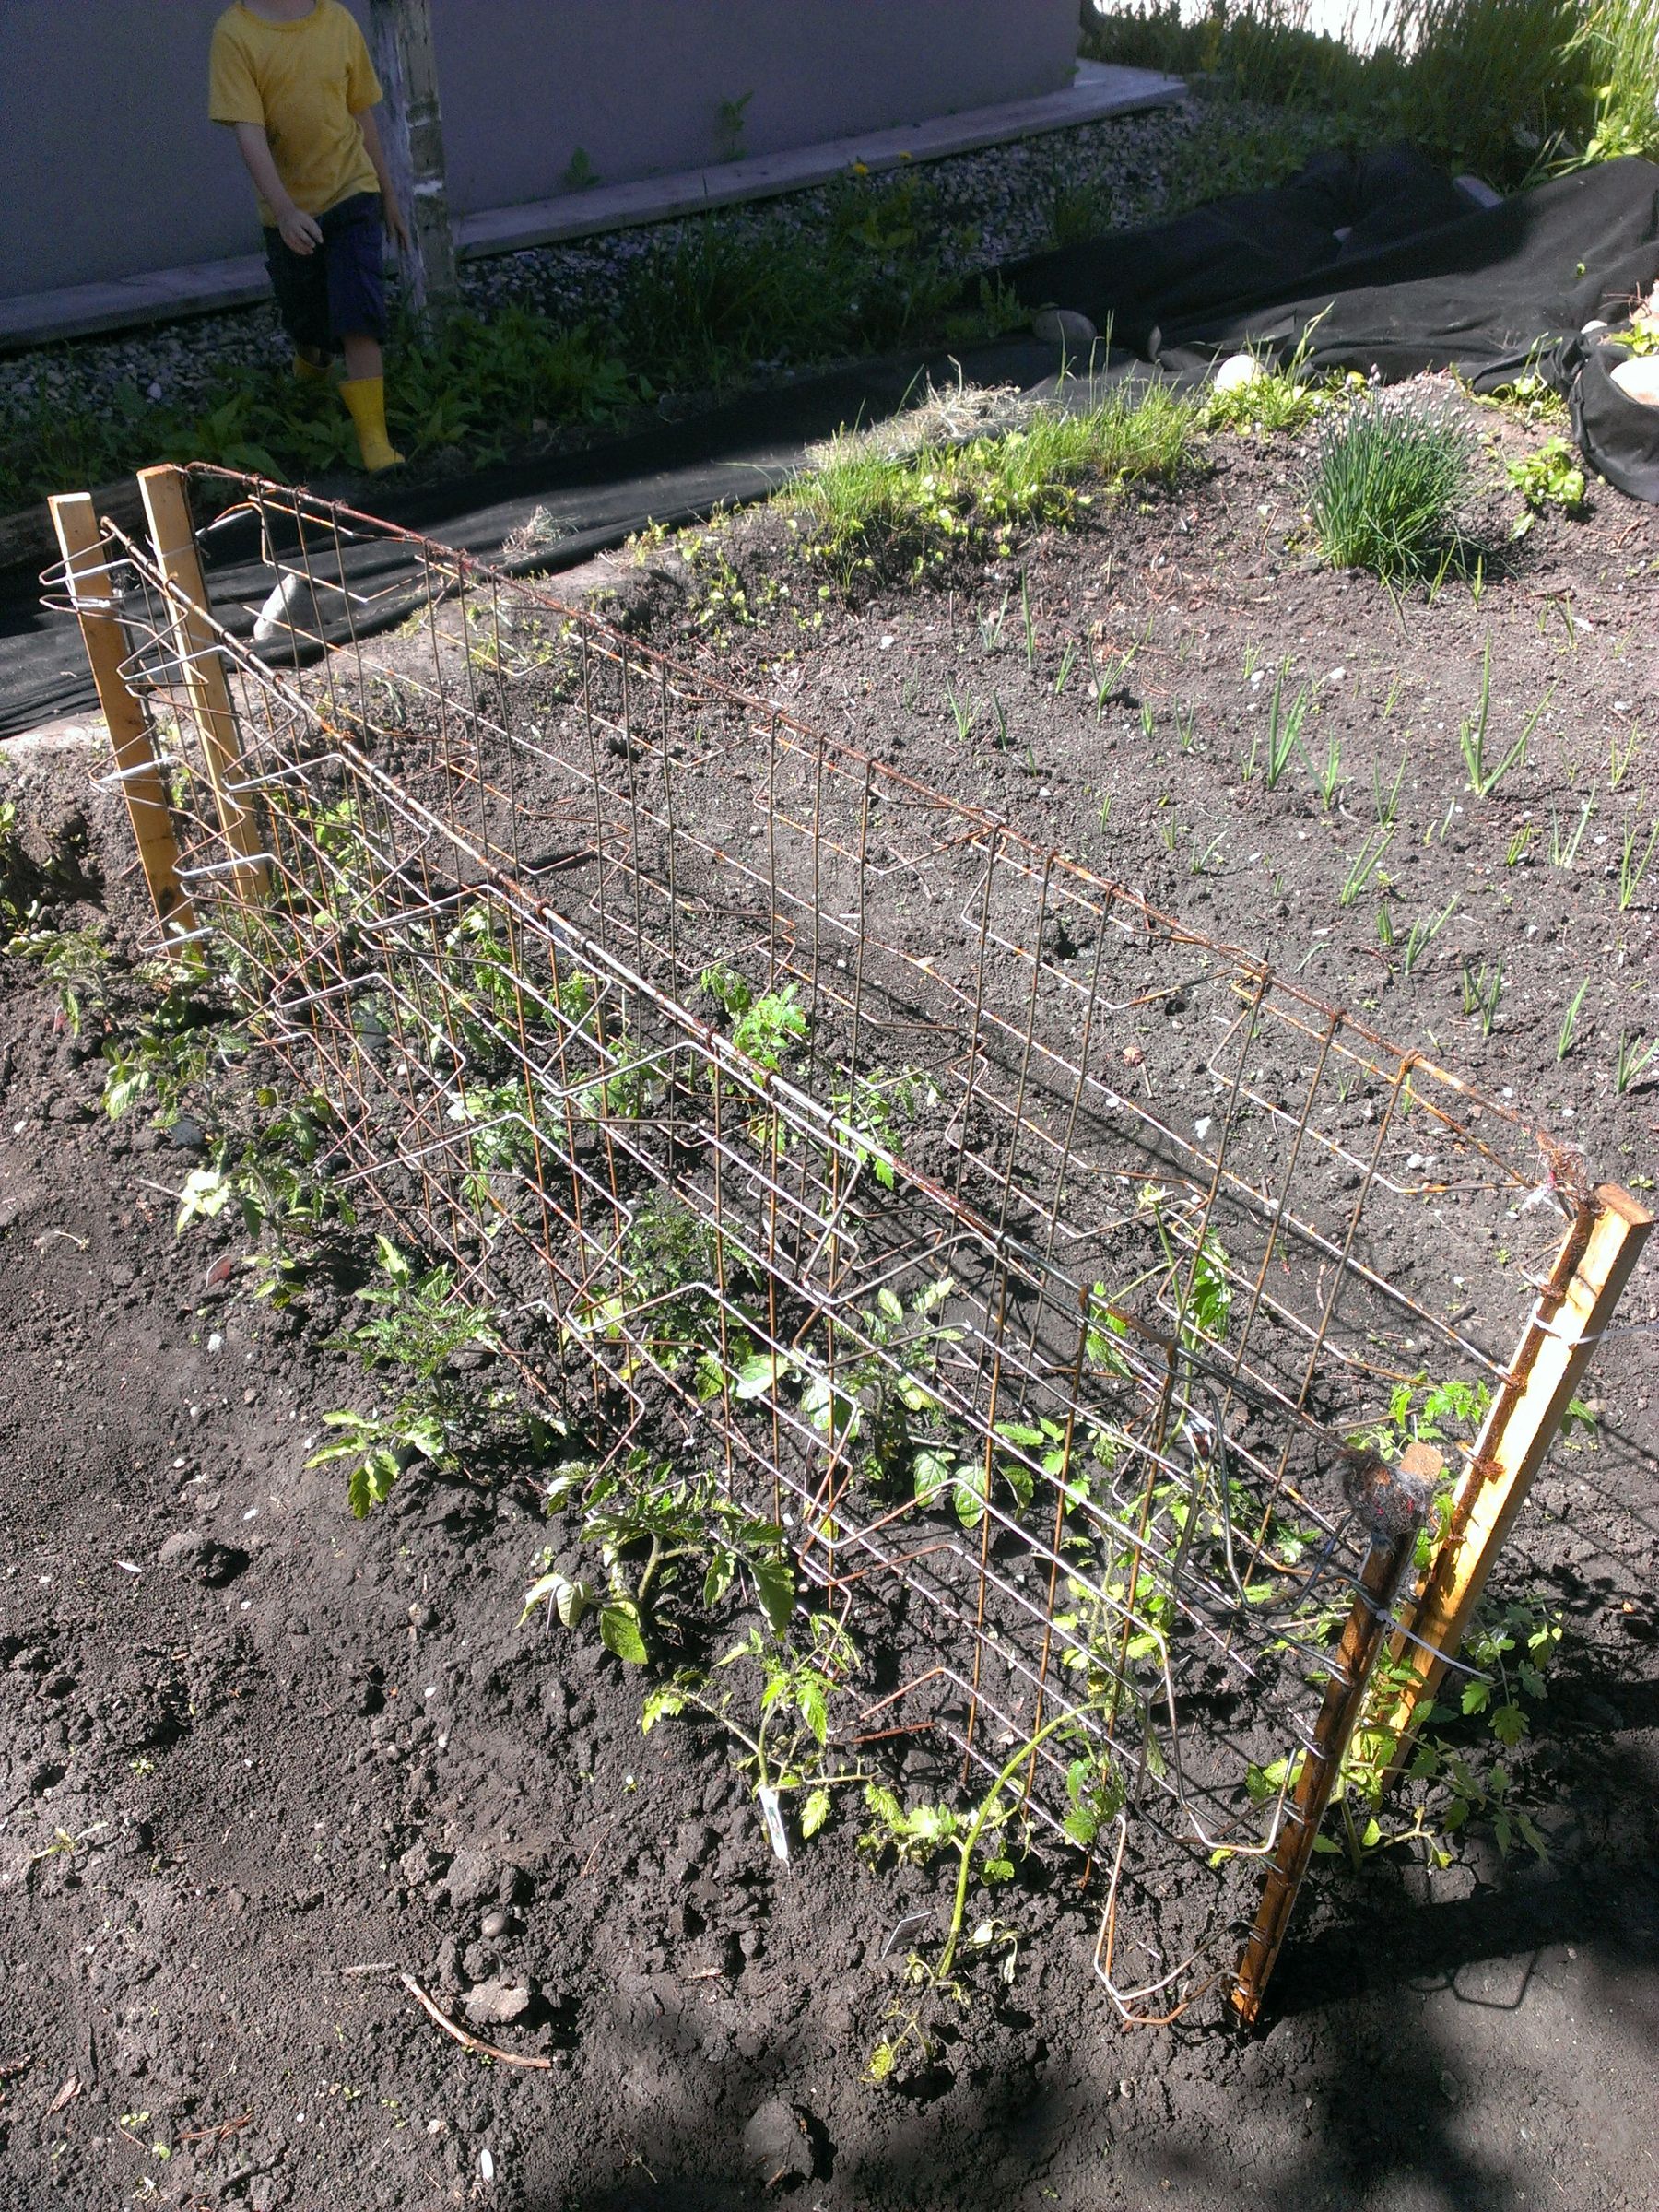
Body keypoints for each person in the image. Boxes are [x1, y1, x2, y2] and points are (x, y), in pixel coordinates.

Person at [209, 0, 412, 472]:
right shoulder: (235, 35)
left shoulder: (338, 21)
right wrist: (283, 209)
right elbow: (249, 132)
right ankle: (309, 389)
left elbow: (362, 112)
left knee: (358, 310)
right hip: (290, 210)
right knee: (306, 319)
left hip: (352, 191)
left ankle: (374, 439)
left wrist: (387, 193)